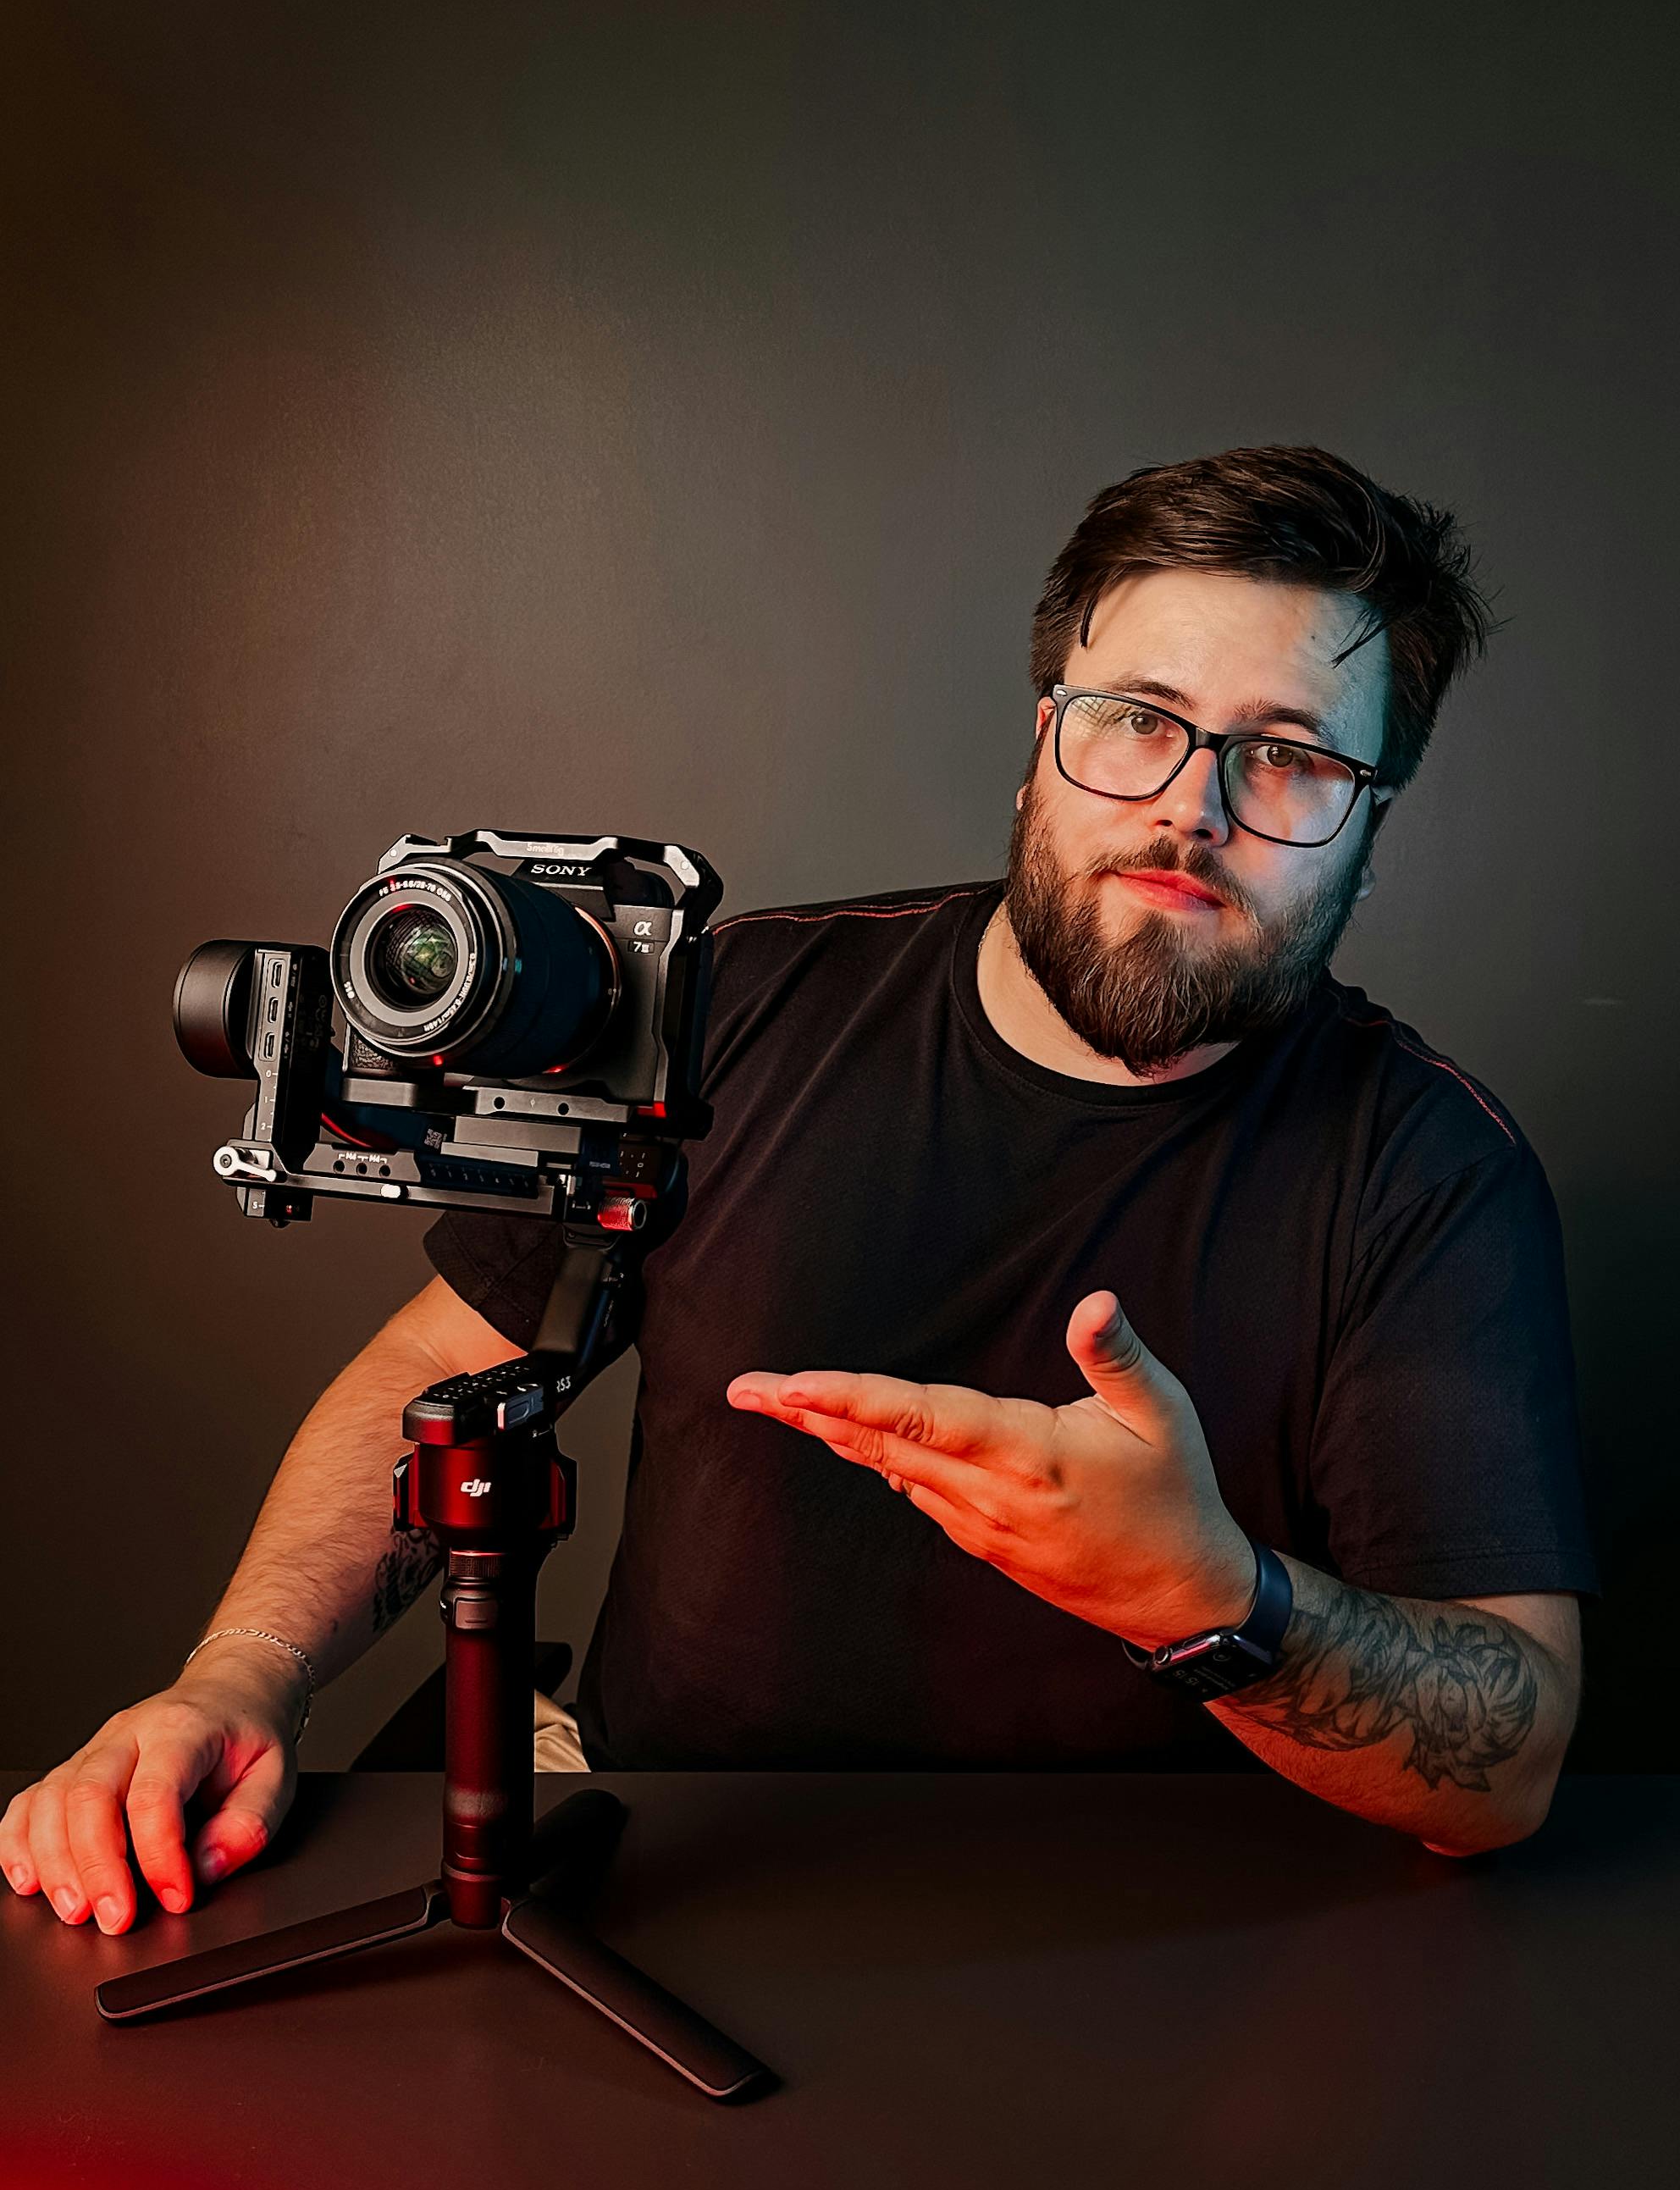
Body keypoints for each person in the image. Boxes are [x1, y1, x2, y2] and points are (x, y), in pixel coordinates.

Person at [1, 445, 1594, 1935]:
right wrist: (236, 1683)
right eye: (1138, 717)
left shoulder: (1430, 1173)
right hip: (648, 1853)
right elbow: (450, 1367)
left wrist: (1211, 1604)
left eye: (1294, 757)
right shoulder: (728, 1006)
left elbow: (1506, 1764)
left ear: (1370, 835)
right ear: (1043, 741)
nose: (1192, 804)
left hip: (1145, 1926)